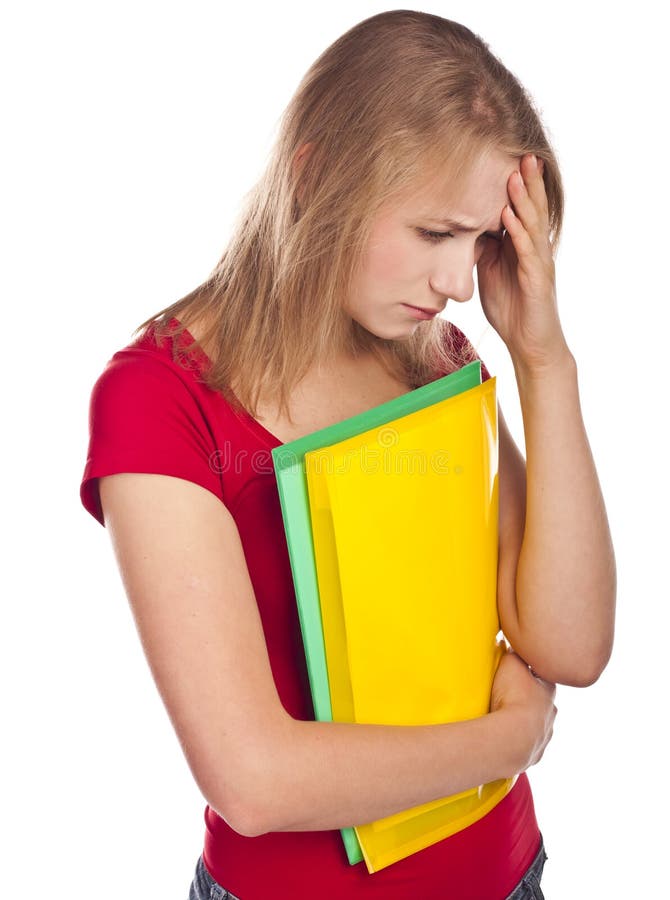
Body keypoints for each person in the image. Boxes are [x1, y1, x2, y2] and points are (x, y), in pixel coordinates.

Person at [79, 10, 616, 899]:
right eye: (435, 234)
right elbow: (253, 783)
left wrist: (542, 360)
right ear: (317, 174)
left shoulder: (436, 355)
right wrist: (509, 743)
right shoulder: (156, 399)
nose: (457, 282)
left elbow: (570, 645)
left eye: (480, 241)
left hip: (509, 874)